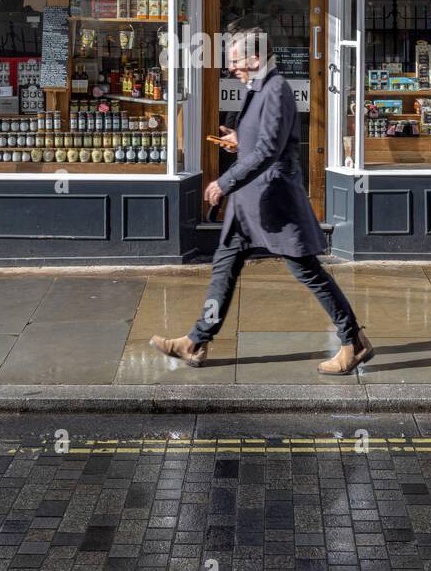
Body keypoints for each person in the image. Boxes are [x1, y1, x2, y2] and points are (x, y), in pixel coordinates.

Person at [150, 28, 374, 375]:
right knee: (223, 271)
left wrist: (225, 182)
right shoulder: (257, 88)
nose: (231, 68)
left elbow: (270, 150)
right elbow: (263, 140)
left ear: (255, 59)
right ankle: (197, 340)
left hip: (275, 204)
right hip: (248, 206)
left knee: (310, 273)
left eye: (236, 61)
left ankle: (354, 342)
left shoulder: (276, 90)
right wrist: (240, 140)